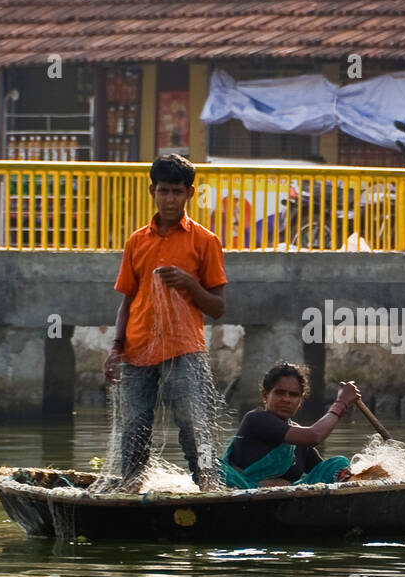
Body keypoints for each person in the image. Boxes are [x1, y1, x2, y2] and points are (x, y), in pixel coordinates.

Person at [104, 154, 227, 490]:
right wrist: (116, 347)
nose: (170, 199)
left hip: (183, 347)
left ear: (189, 193)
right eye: (163, 191)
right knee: (136, 423)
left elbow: (217, 307)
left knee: (192, 423)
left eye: (176, 191)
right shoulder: (136, 241)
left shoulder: (205, 241)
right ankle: (132, 484)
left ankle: (208, 483)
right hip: (137, 346)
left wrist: (189, 283)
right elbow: (127, 300)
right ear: (152, 192)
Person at [221, 362, 359, 488]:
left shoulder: (298, 440)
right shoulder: (255, 420)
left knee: (338, 465)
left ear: (300, 400)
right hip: (244, 496)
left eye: (293, 395)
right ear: (265, 395)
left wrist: (365, 473)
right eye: (279, 393)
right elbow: (314, 436)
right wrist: (341, 403)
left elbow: (324, 471)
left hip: (287, 504)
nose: (286, 399)